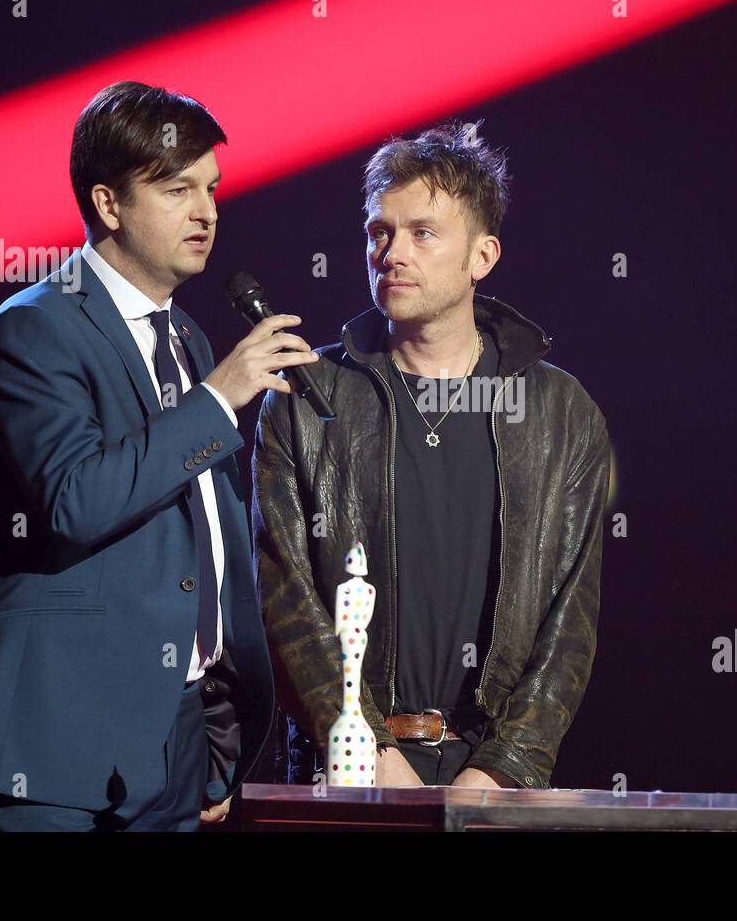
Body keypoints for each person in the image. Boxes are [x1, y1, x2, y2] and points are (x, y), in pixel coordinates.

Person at [0, 81, 319, 830]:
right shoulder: (33, 330)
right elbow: (77, 500)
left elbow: (201, 537)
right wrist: (213, 403)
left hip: (168, 751)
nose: (207, 211)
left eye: (211, 188)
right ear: (109, 205)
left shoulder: (188, 341)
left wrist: (218, 729)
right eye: (178, 189)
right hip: (53, 751)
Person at [254, 120, 612, 789]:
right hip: (350, 774)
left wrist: (501, 770)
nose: (392, 252)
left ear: (483, 256)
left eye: (422, 232)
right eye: (379, 232)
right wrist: (362, 745)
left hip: (490, 778)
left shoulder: (562, 414)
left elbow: (570, 622)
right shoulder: (305, 397)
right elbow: (287, 603)